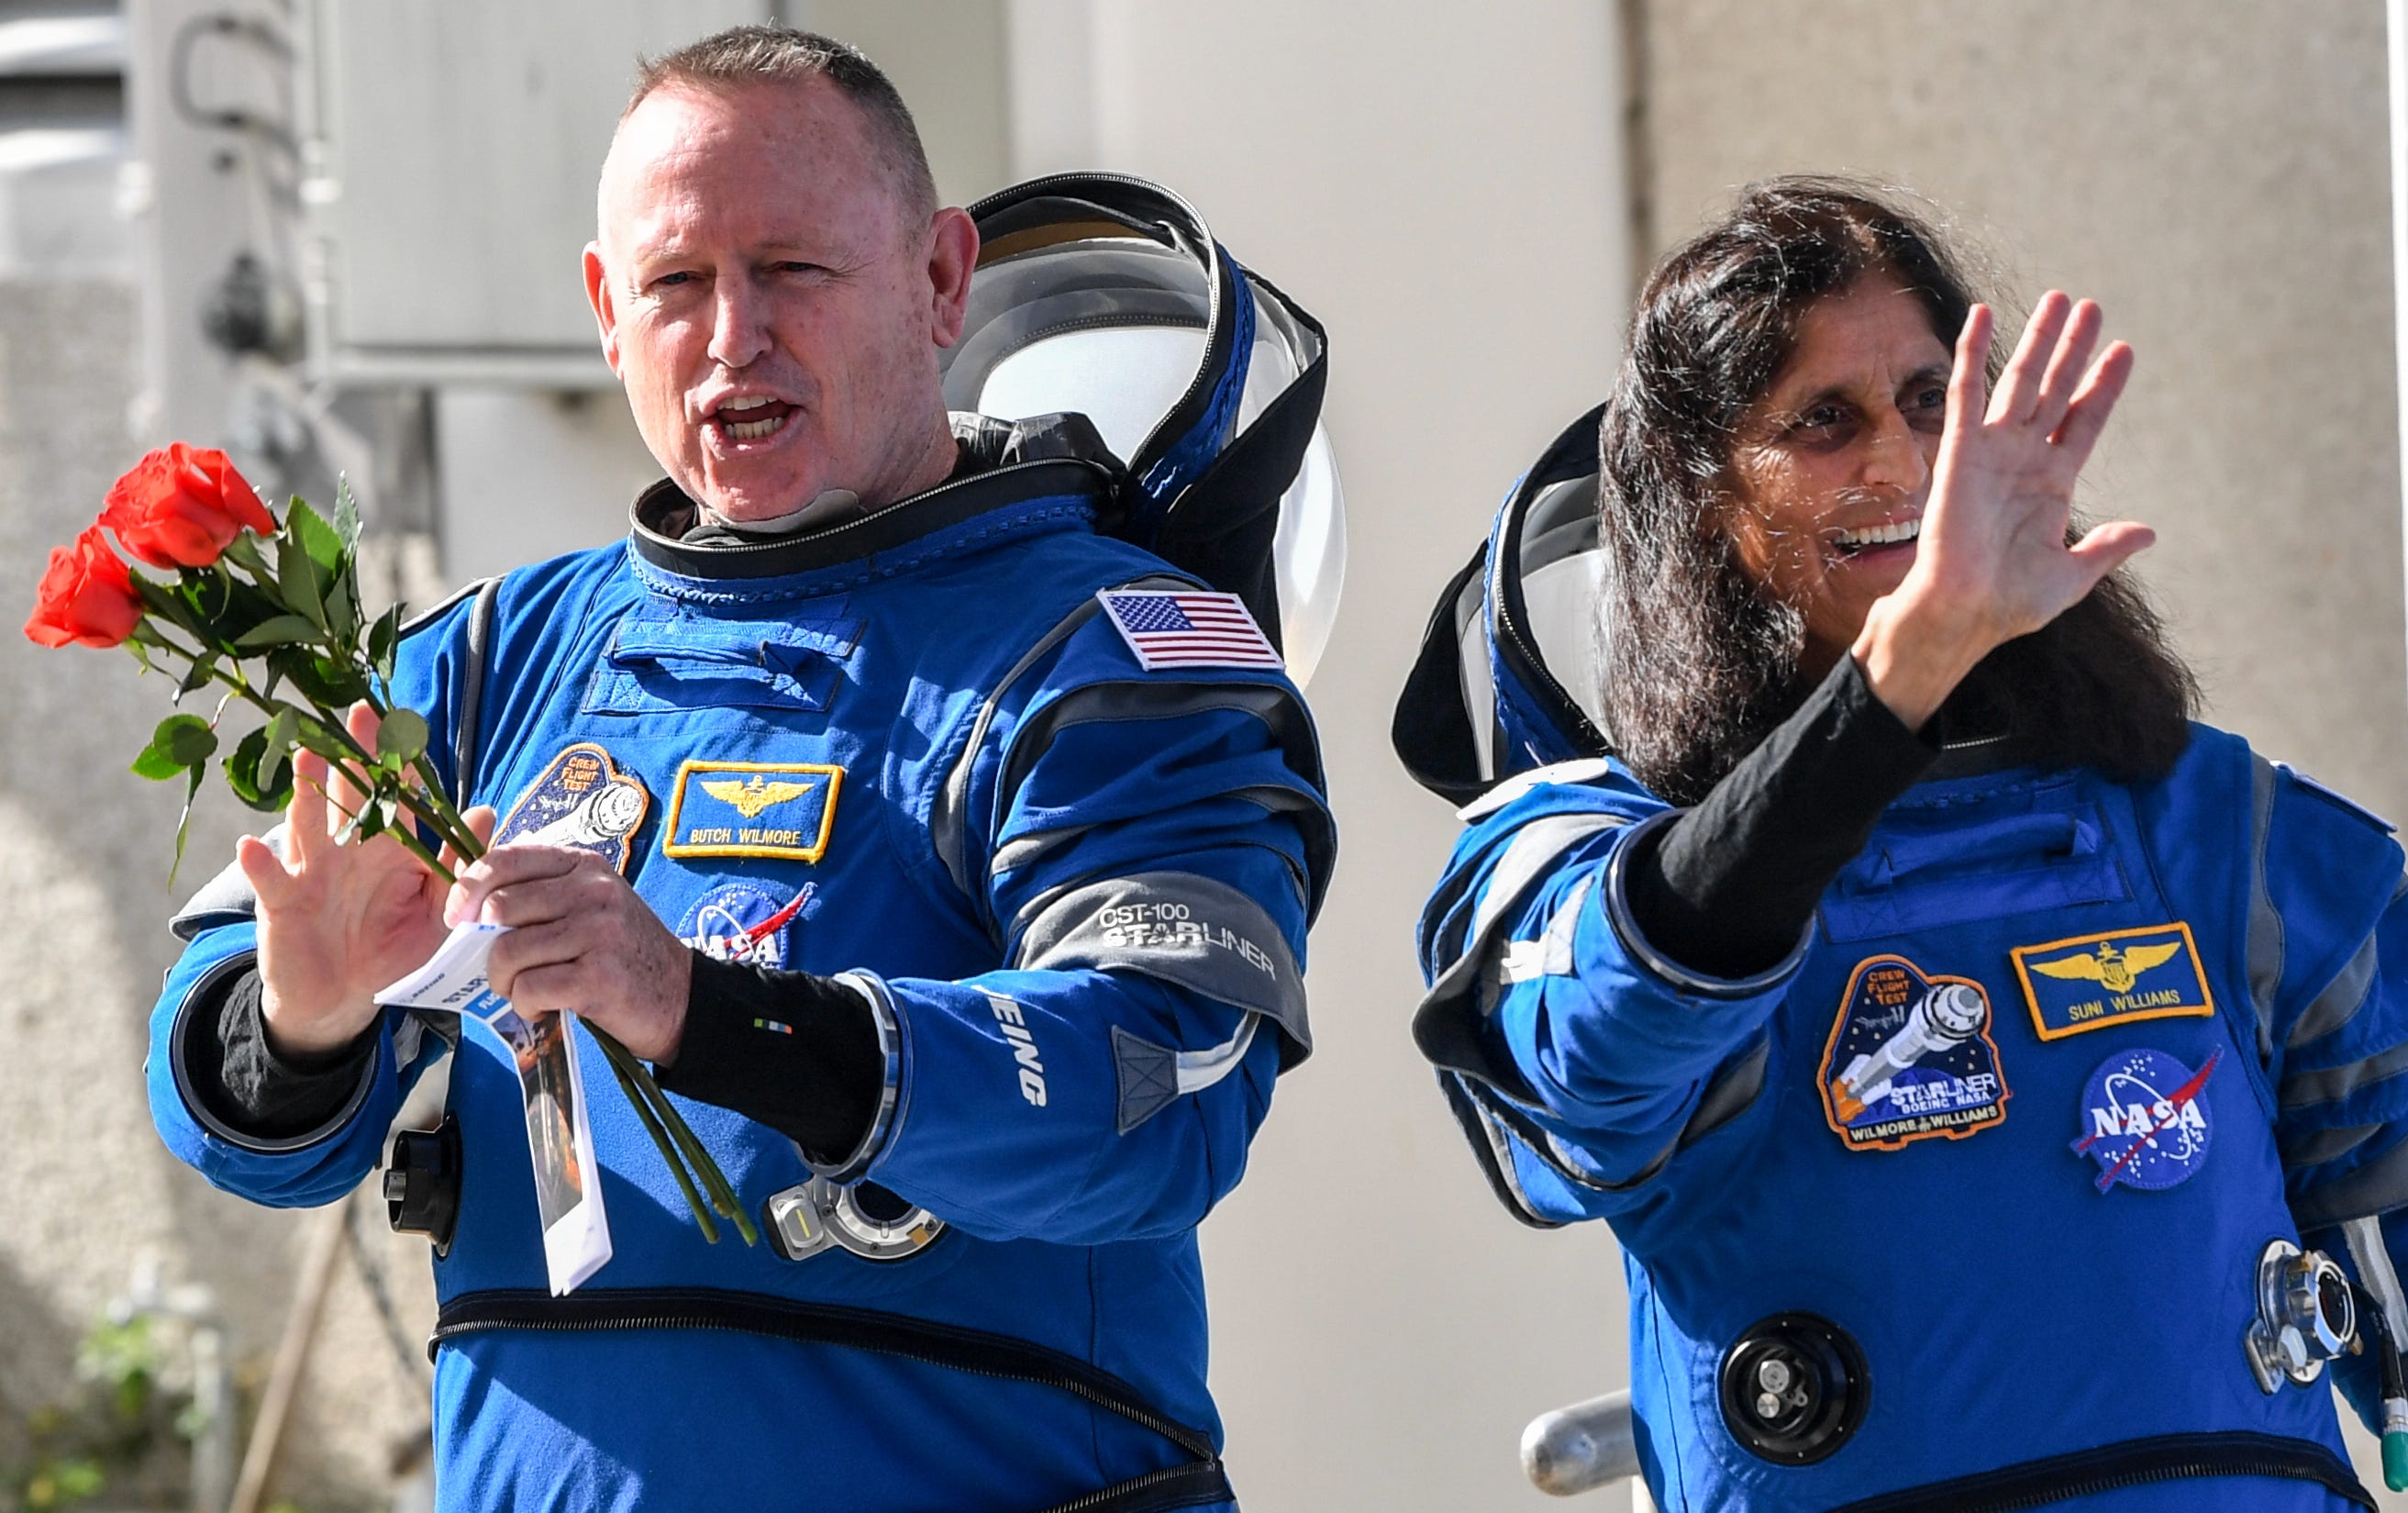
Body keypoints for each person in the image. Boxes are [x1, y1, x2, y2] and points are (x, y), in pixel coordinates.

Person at [147, 27, 1332, 1512]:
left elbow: (1160, 1079)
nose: (730, 338)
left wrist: (707, 1013)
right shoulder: (486, 654)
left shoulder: (1111, 654)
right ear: (602, 308)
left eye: (792, 271)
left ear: (939, 280)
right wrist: (298, 1018)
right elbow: (223, 1097)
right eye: (676, 283)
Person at [1397, 178, 2408, 1511]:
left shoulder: (2207, 818)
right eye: (1824, 421)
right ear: (1703, 496)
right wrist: (1902, 672)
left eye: (1930, 402)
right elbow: (1594, 1050)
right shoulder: (1583, 847)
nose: (1899, 462)